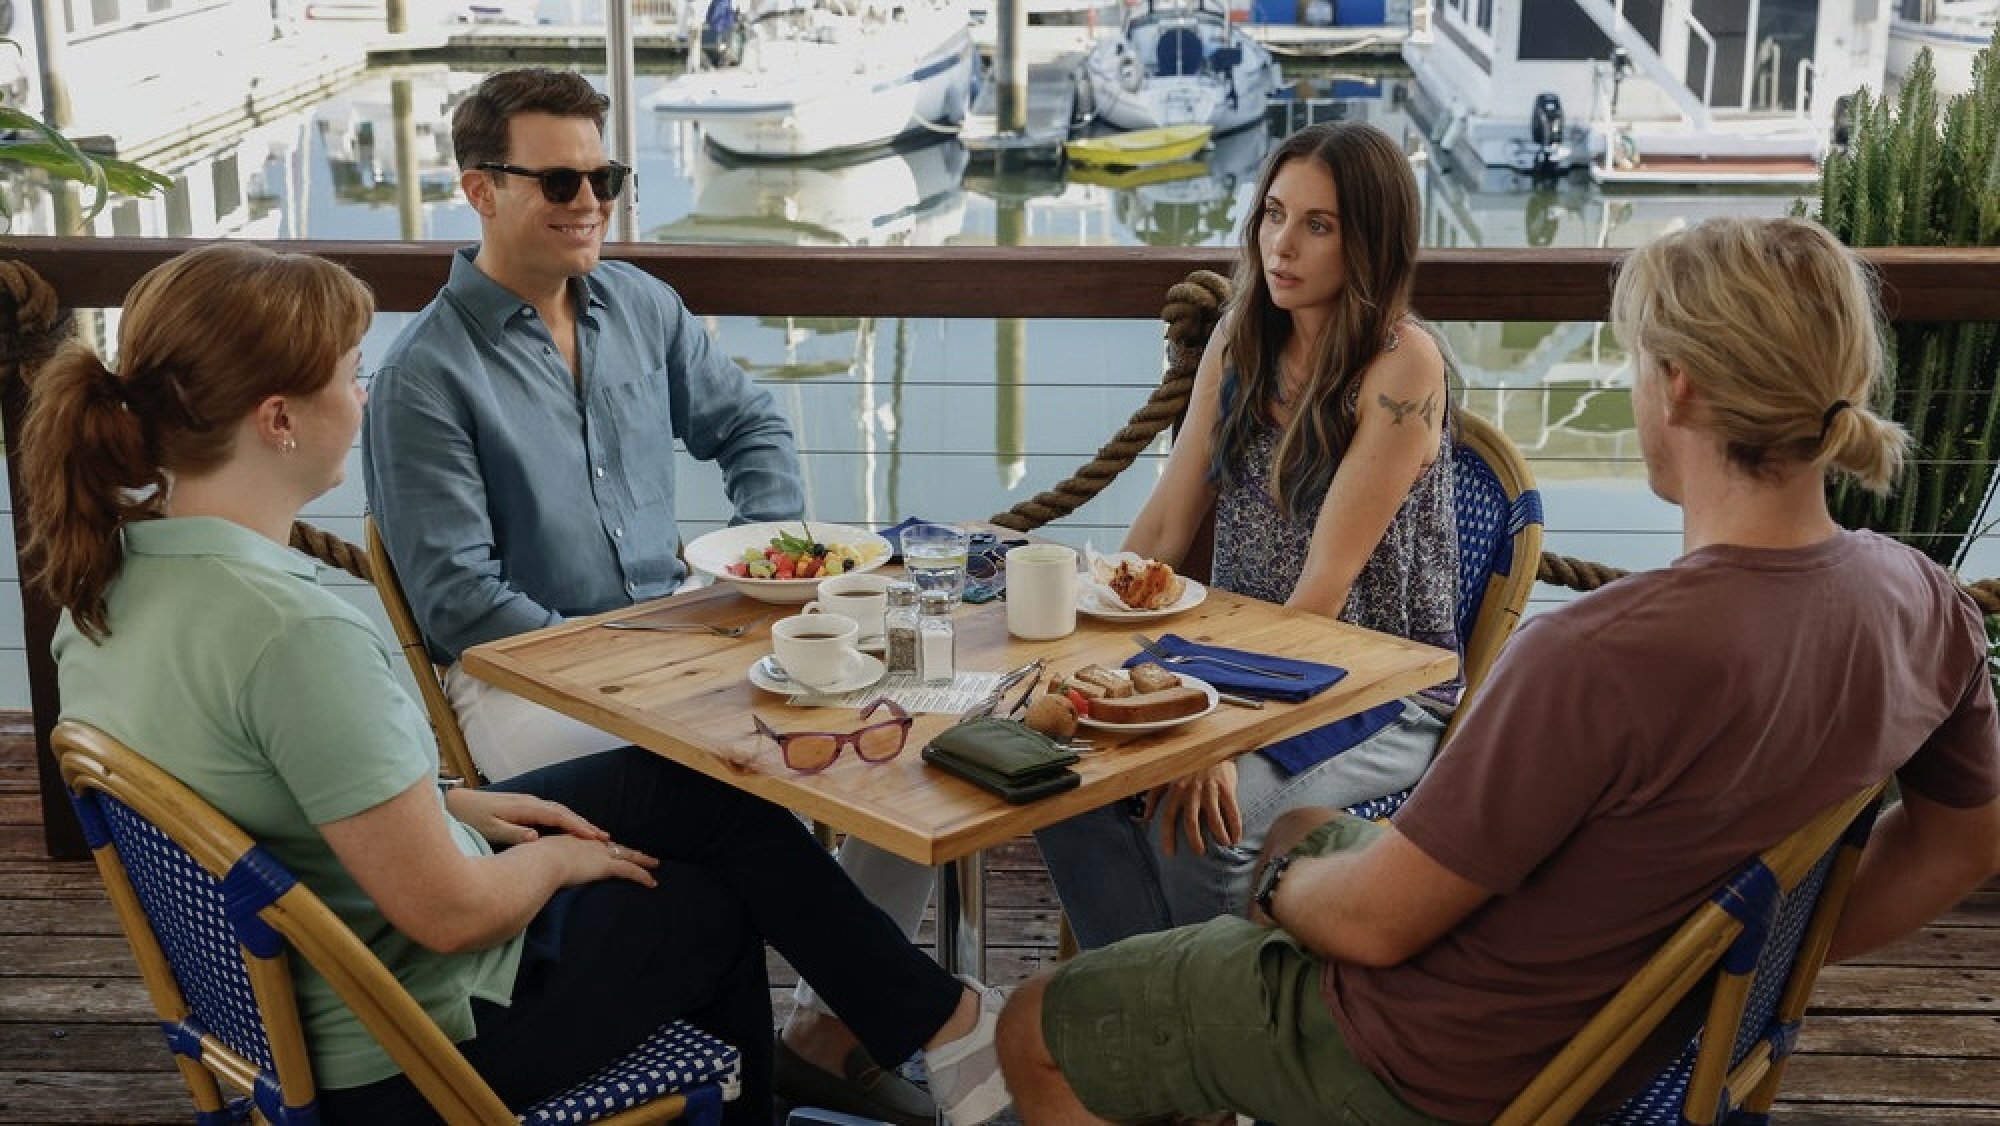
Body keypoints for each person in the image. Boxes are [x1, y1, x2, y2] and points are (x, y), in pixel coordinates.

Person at [996, 216, 2000, 1124]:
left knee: (1039, 1028)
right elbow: (1960, 846)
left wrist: (1273, 885)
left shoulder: (1596, 654)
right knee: (1302, 822)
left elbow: (1374, 925)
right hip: (1623, 1049)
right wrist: (1724, 962)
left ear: (1678, 385)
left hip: (1430, 1064)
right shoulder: (1924, 607)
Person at [24, 242, 1010, 1126]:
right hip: (399, 1044)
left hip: (288, 988)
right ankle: (928, 1044)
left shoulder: (111, 581)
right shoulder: (295, 627)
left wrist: (450, 802)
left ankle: (942, 1027)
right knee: (707, 905)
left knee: (695, 792)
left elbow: (256, 785)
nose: (362, 398)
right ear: (278, 418)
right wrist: (551, 864)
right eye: (348, 377)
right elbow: (449, 914)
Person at [362, 68, 945, 1121]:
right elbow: (461, 606)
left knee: (881, 721)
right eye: (556, 180)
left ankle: (831, 1026)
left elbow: (753, 427)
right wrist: (640, 678)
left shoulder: (640, 305)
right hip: (514, 689)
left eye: (605, 176)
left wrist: (776, 560)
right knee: (738, 782)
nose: (587, 201)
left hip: (668, 644)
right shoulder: (423, 378)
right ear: (479, 190)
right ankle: (931, 1027)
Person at [1034, 122, 1462, 949]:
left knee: (1204, 823)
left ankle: (1206, 1039)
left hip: (1372, 684)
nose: (1283, 245)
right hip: (1220, 658)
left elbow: (1320, 597)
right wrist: (1079, 639)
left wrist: (1219, 735)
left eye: (1318, 224)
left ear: (1370, 243)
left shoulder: (1402, 366)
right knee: (1061, 779)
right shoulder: (1241, 336)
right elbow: (1163, 525)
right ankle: (1136, 1024)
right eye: (1273, 214)